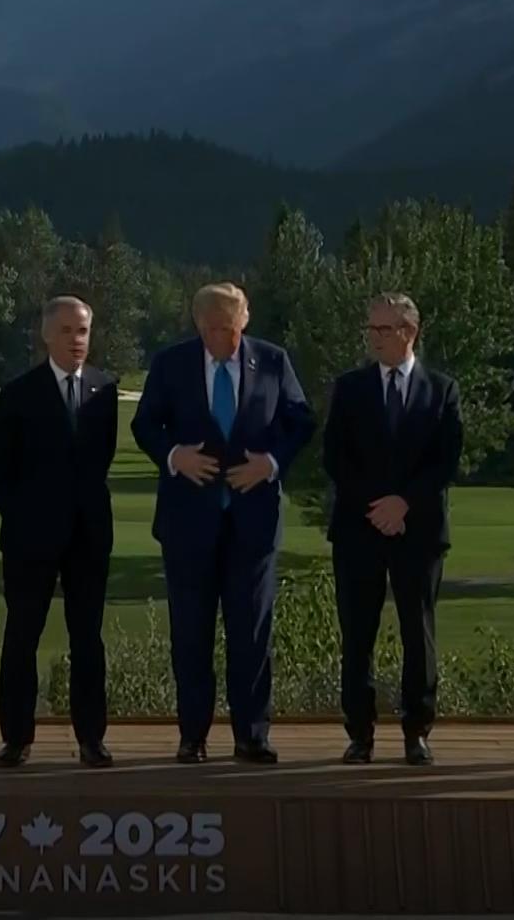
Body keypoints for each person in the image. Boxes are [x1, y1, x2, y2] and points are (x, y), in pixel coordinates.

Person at [131, 282, 315, 764]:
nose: (224, 339)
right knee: (191, 634)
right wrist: (175, 457)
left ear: (245, 320)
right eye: (214, 329)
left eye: (232, 329)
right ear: (198, 324)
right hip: (188, 524)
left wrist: (270, 464)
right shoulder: (171, 364)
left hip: (253, 524)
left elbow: (301, 420)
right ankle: (192, 736)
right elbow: (145, 424)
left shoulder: (272, 361)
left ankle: (252, 735)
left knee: (251, 633)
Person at [322, 293, 463, 766]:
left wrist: (404, 503)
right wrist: (377, 505)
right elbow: (335, 457)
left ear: (409, 332)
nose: (374, 338)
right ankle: (359, 734)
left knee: (417, 632)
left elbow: (446, 459)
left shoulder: (441, 390)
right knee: (357, 633)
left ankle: (417, 732)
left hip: (418, 530)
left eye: (384, 329)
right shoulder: (350, 388)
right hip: (359, 529)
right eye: (371, 329)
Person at [0, 296, 119, 769]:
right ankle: (16, 738)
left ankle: (91, 739)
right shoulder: (17, 394)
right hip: (30, 540)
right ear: (46, 335)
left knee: (88, 639)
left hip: (89, 537)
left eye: (82, 331)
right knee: (22, 636)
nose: (76, 340)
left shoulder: (105, 390)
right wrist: (27, 519)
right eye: (66, 331)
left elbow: (100, 461)